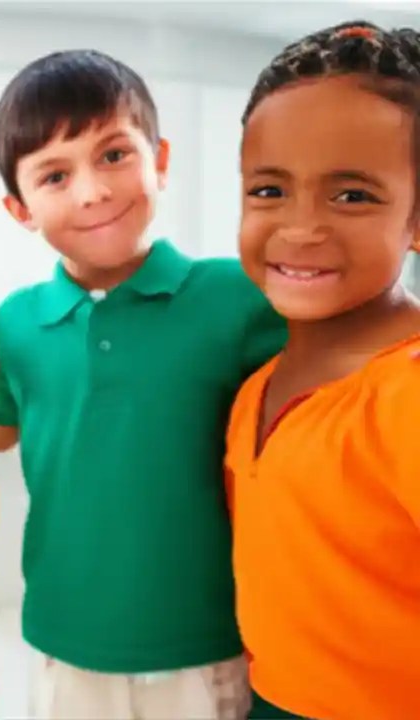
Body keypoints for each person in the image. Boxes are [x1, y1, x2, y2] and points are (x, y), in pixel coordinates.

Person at [0, 50, 286, 719]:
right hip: (68, 635)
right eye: (56, 175)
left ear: (162, 159)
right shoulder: (18, 321)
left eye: (115, 155)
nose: (91, 190)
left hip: (204, 636)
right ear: (19, 208)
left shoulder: (236, 296)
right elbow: (6, 425)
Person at [226, 21, 420, 720]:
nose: (301, 227)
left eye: (353, 195)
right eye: (269, 191)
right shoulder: (254, 389)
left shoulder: (408, 395)